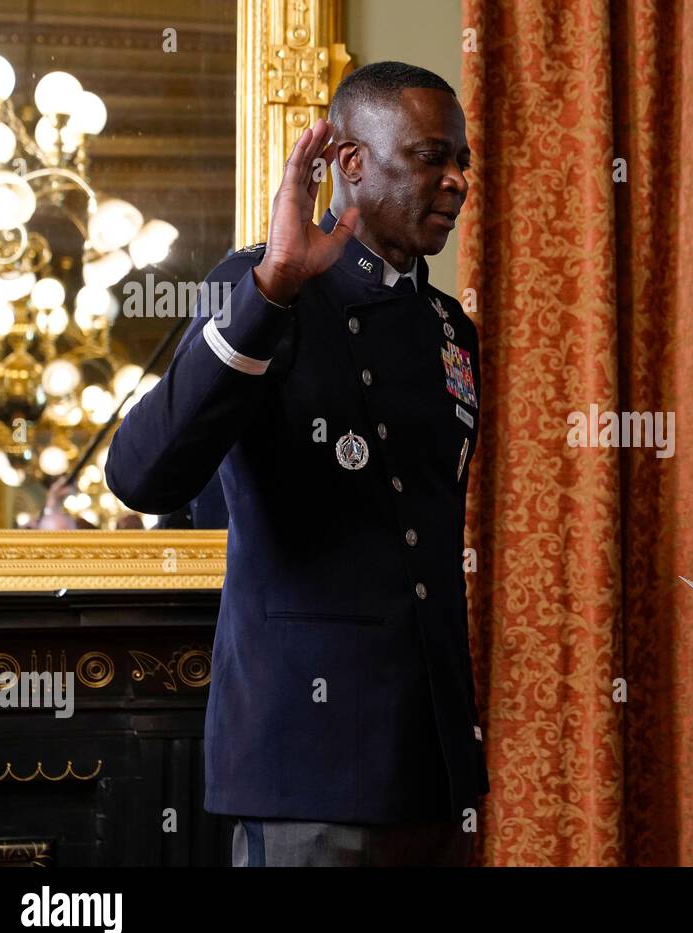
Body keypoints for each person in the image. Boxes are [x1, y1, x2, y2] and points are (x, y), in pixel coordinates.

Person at [106, 62, 486, 866]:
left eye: (463, 161)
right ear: (351, 162)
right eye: (430, 157)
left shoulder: (450, 330)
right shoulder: (260, 290)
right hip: (309, 761)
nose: (457, 181)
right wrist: (272, 289)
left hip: (433, 762)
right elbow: (141, 476)